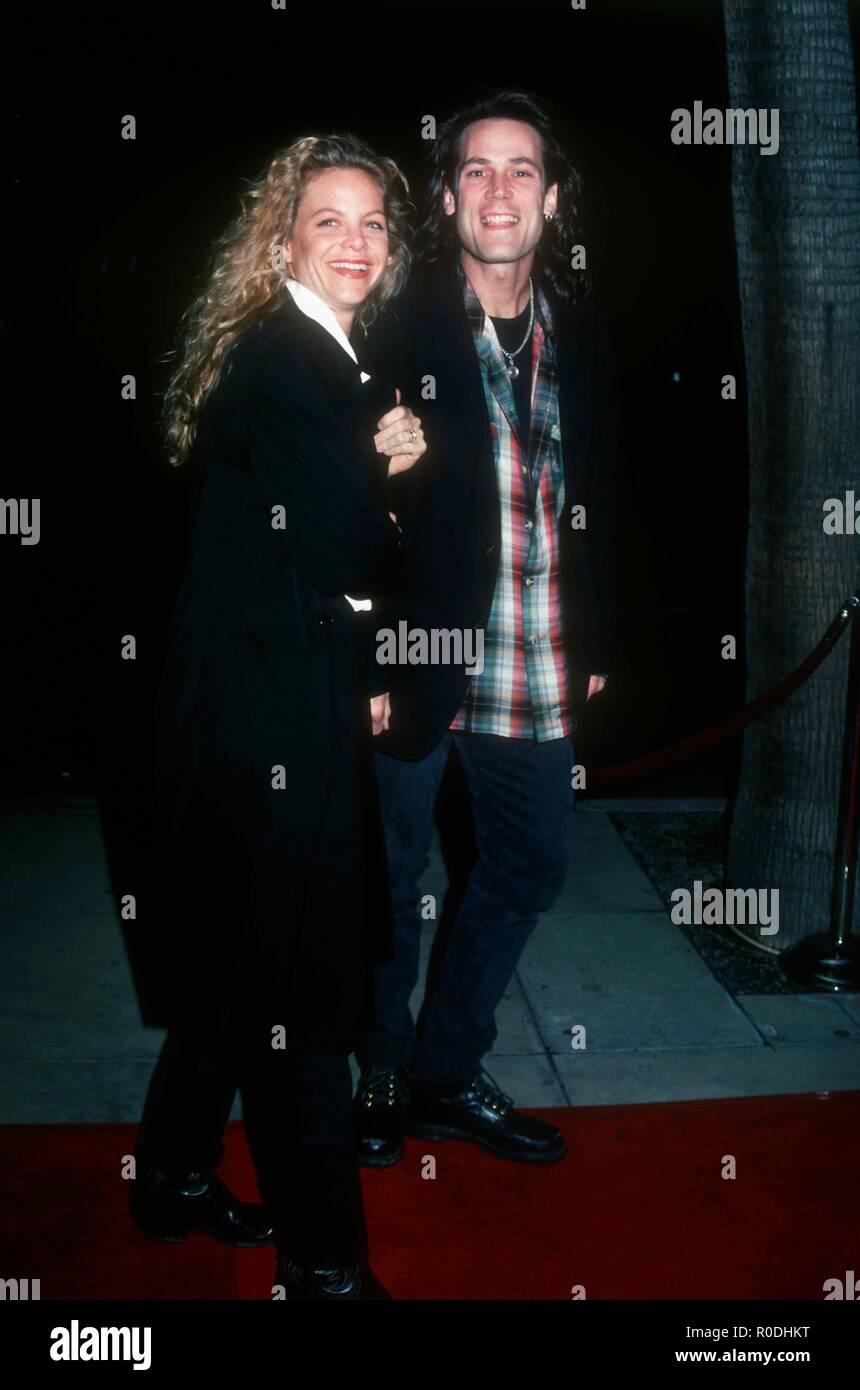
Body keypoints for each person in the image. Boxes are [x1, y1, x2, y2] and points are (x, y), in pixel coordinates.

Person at [130, 133, 426, 1300]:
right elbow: (348, 549)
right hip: (266, 729)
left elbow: (287, 539)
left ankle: (170, 1174)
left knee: (233, 961)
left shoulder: (300, 356)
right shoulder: (297, 364)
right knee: (300, 995)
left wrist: (363, 469)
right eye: (326, 221)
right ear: (284, 238)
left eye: (371, 223)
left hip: (240, 705)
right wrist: (387, 490)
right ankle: (324, 1265)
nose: (355, 242)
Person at [355, 91, 619, 1167]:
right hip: (414, 655)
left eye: (521, 171)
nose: (498, 189)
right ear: (446, 192)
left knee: (525, 868)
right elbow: (334, 499)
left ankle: (441, 1070)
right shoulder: (391, 319)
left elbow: (603, 493)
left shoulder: (582, 333)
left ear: (551, 199)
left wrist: (596, 640)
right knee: (386, 874)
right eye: (476, 169)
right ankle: (377, 1070)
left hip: (535, 653)